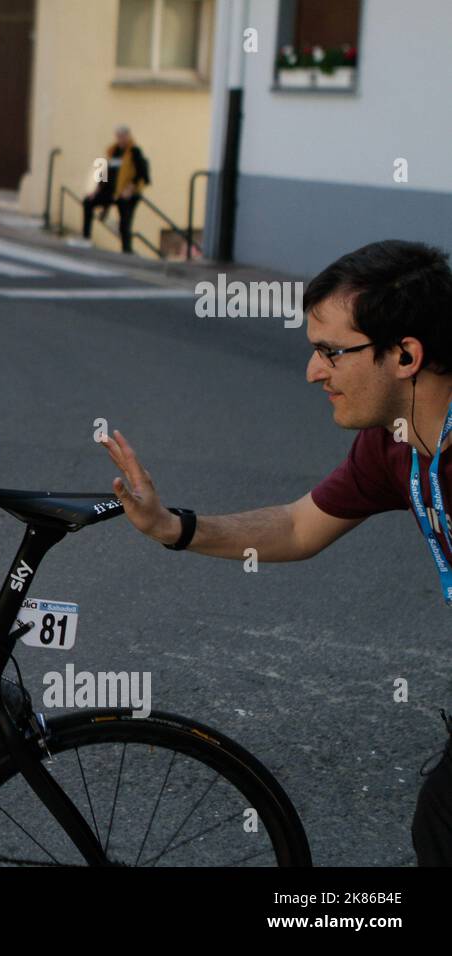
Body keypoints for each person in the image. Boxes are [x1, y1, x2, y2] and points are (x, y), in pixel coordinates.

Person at [100, 239, 452, 865]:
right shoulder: (393, 441)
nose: (315, 373)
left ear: (405, 355)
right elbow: (296, 527)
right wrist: (172, 527)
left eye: (330, 353)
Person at [81, 124, 149, 254]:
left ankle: (126, 249)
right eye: (118, 136)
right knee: (88, 202)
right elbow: (106, 172)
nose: (120, 139)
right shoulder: (113, 151)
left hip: (128, 193)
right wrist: (97, 190)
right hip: (111, 191)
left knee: (125, 220)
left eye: (123, 136)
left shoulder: (134, 151)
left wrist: (130, 188)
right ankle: (86, 237)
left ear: (128, 137)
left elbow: (142, 174)